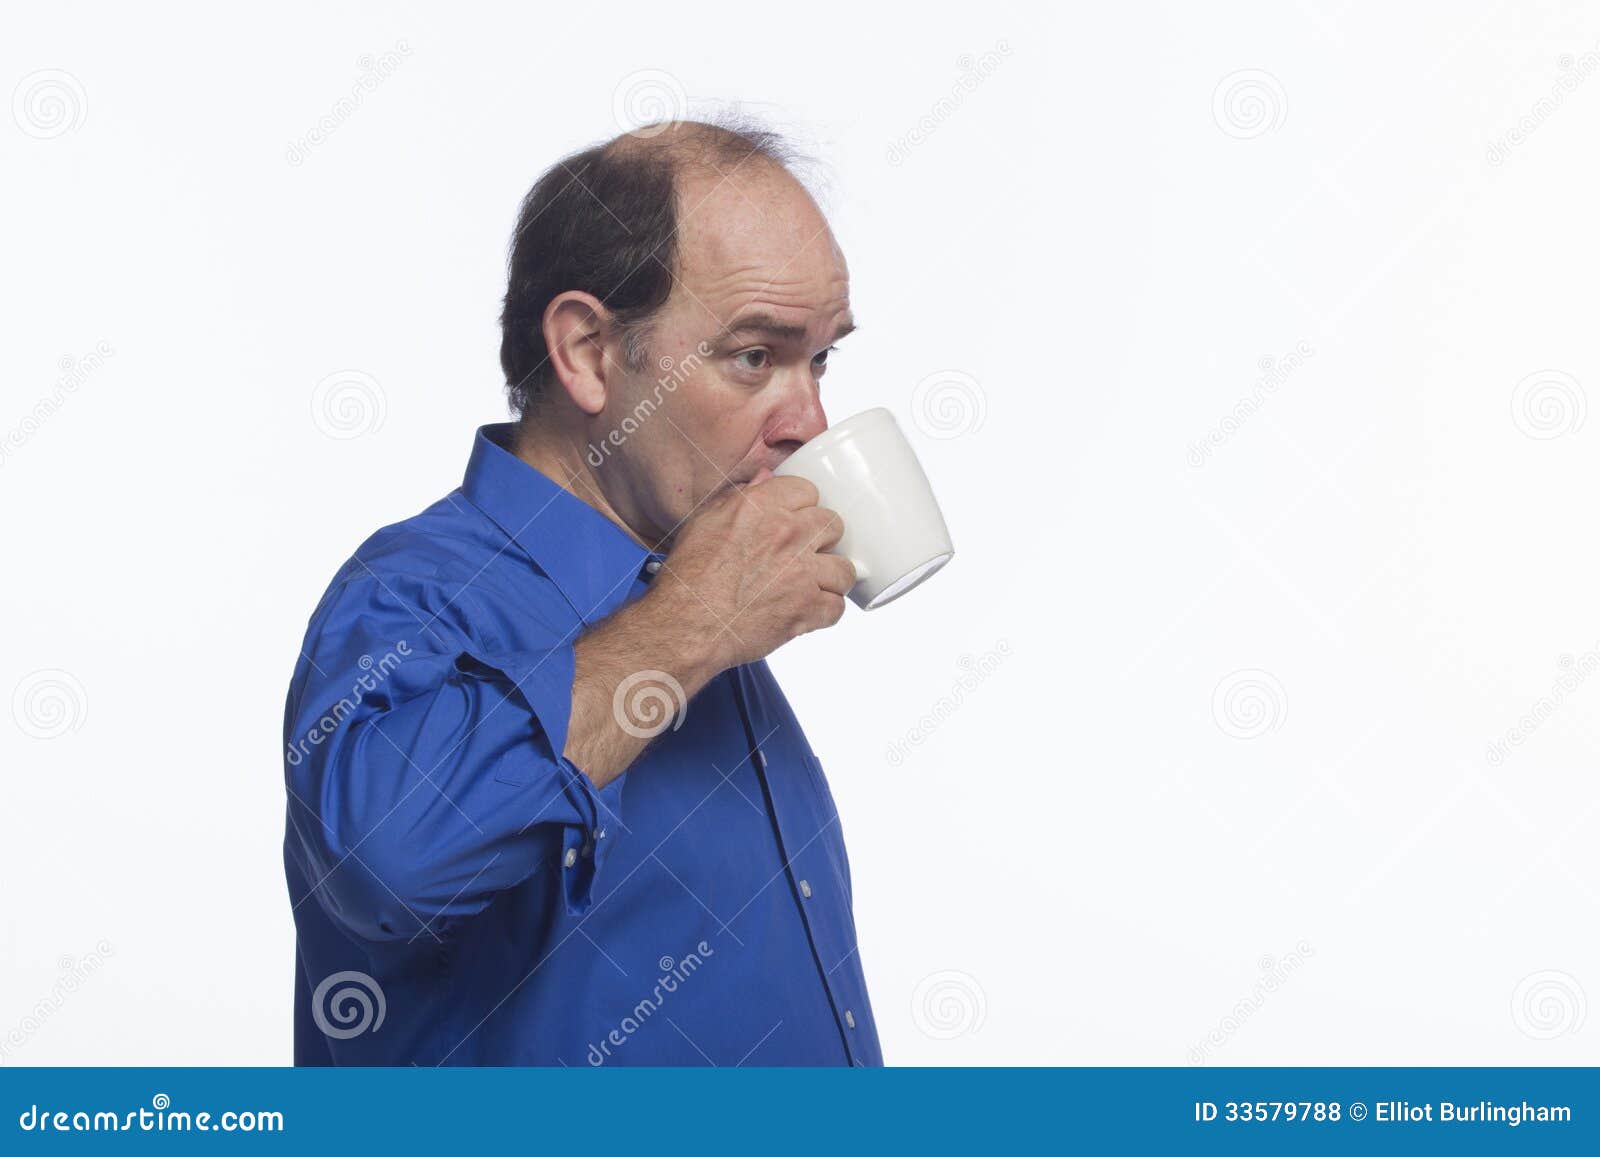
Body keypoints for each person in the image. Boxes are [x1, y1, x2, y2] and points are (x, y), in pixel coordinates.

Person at [282, 117, 880, 1065]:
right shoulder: (416, 593)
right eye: (755, 357)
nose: (810, 419)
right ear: (590, 352)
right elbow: (387, 866)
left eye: (823, 358)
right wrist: (688, 625)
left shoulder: (685, 578)